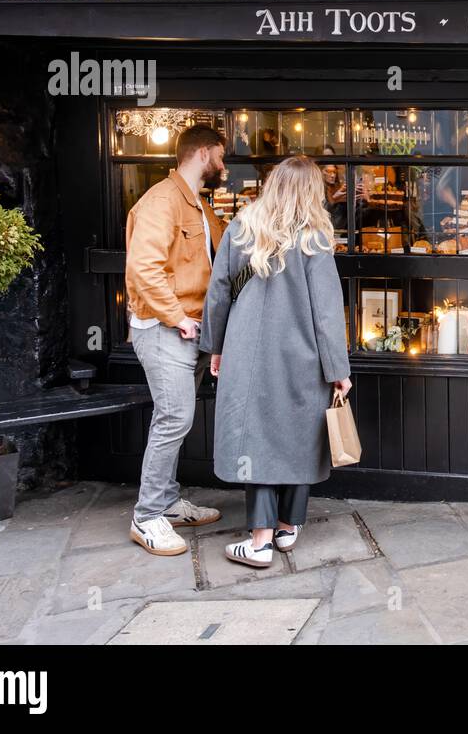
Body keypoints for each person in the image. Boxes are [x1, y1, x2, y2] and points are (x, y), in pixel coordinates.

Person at [200, 155, 353, 568]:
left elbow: (218, 293)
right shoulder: (316, 238)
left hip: (248, 352)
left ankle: (260, 540)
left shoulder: (242, 227)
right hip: (303, 357)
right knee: (301, 435)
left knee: (258, 438)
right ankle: (286, 528)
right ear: (311, 191)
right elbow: (326, 311)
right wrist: (338, 370)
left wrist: (216, 346)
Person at [125, 124, 227, 556]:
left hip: (193, 329)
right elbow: (143, 268)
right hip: (167, 329)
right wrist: (179, 319)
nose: (224, 165)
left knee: (177, 420)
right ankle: (146, 517)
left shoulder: (199, 206)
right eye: (221, 155)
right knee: (174, 419)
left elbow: (228, 253)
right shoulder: (161, 201)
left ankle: (166, 503)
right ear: (204, 153)